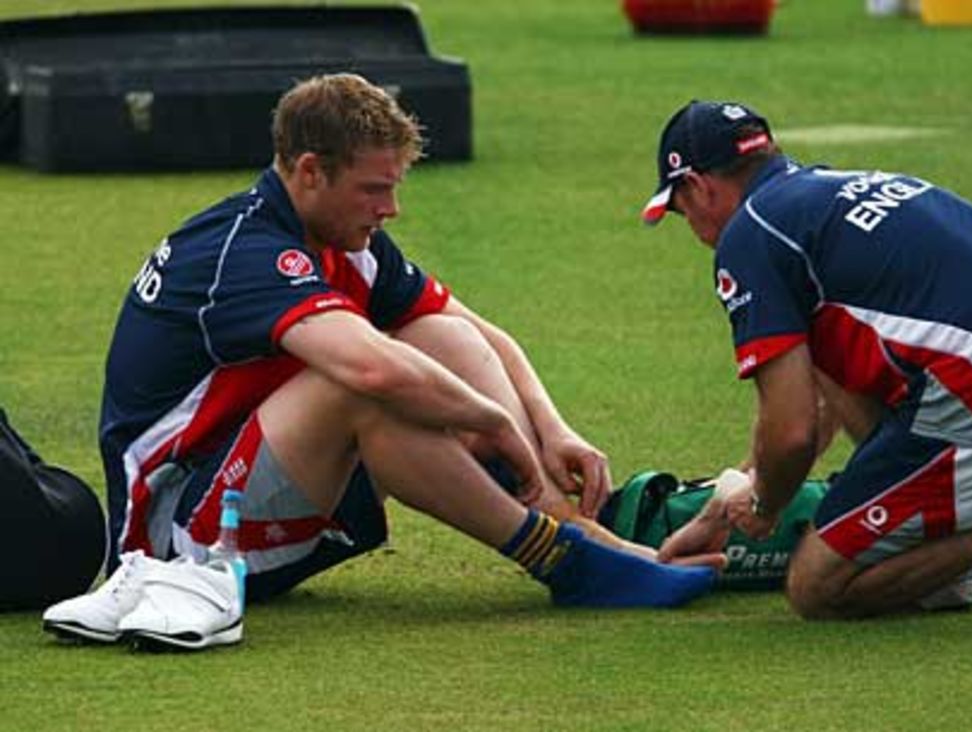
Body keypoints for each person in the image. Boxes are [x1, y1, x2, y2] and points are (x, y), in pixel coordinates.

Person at [42, 75, 716, 650]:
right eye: (373, 189)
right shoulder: (247, 250)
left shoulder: (344, 238)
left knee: (436, 335)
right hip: (173, 544)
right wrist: (497, 428)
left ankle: (576, 527)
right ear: (309, 171)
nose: (390, 209)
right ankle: (564, 559)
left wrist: (551, 428)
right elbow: (374, 374)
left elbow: (478, 336)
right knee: (362, 388)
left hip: (246, 489)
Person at [642, 100, 972, 623]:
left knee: (816, 585)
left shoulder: (750, 236)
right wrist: (726, 507)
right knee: (836, 354)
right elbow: (823, 392)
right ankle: (932, 553)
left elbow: (792, 432)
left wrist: (763, 505)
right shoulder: (820, 190)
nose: (692, 226)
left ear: (696, 185)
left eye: (679, 208)